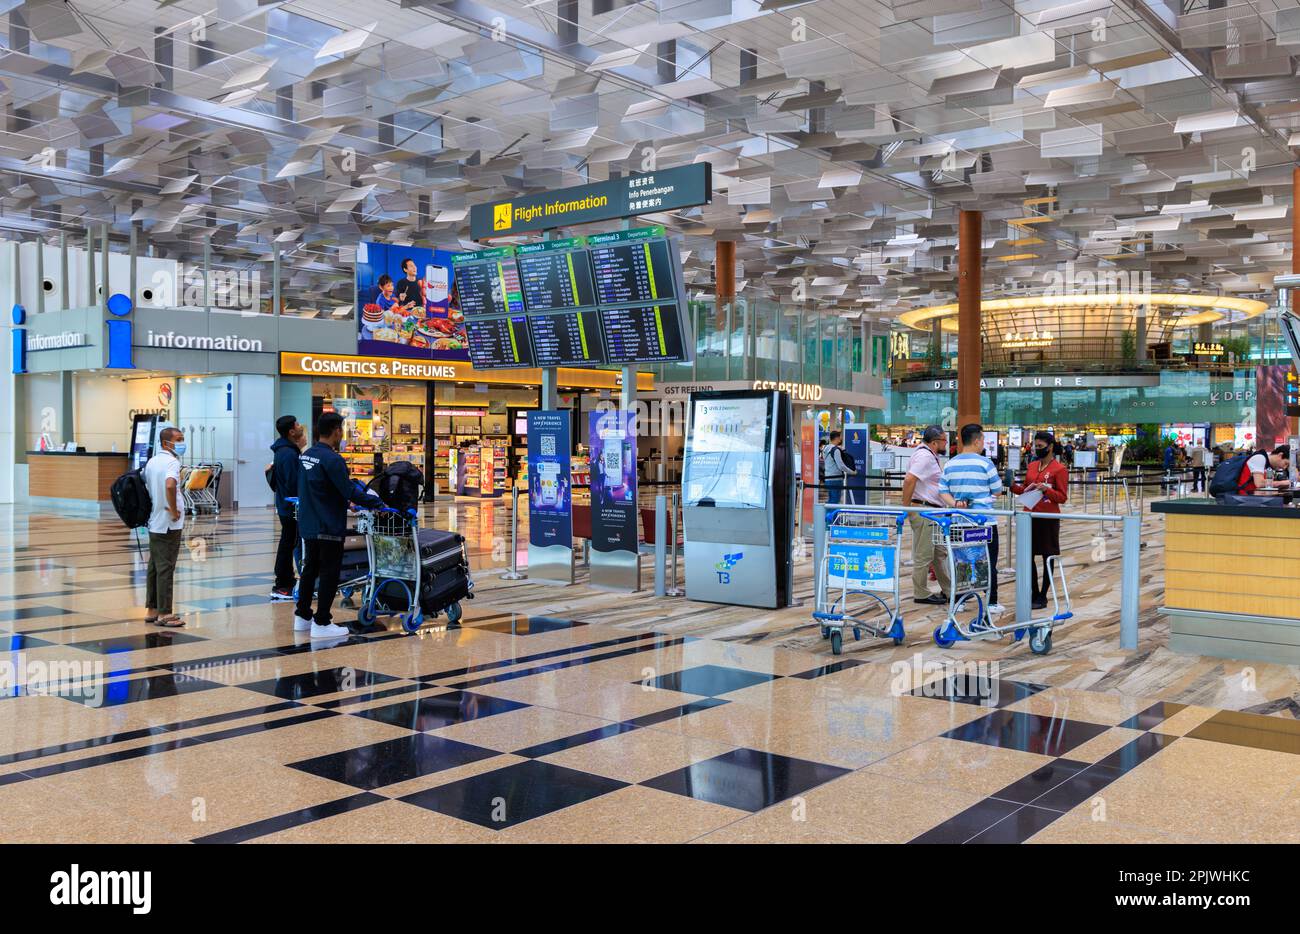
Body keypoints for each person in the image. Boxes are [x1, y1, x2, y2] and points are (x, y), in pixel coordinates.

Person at [295, 412, 383, 639]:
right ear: (336, 431)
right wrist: (377, 502)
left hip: (309, 522)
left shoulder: (307, 455)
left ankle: (302, 617)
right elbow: (349, 489)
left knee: (309, 569)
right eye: (341, 431)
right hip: (328, 524)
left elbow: (319, 487)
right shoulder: (333, 459)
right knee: (329, 572)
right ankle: (322, 622)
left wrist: (345, 501)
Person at [938, 423, 1005, 616]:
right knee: (989, 561)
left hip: (960, 522)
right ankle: (991, 602)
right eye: (983, 439)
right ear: (976, 441)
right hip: (984, 522)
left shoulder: (950, 464)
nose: (984, 443)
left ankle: (960, 600)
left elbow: (942, 491)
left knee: (961, 560)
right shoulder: (985, 463)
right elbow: (998, 490)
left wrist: (955, 504)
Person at [1012, 430, 1069, 610]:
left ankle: (1043, 595)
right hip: (1029, 515)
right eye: (1035, 446)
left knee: (1047, 556)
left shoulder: (1059, 469)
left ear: (1050, 447)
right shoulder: (1032, 466)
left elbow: (1062, 497)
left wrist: (1046, 490)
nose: (1037, 449)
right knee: (1028, 555)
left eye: (1040, 446)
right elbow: (1025, 490)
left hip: (1048, 517)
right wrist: (1012, 486)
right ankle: (1034, 592)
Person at [900, 425, 949, 605]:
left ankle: (949, 590)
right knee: (924, 554)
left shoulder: (928, 455)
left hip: (932, 511)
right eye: (944, 440)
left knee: (938, 553)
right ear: (935, 442)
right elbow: (909, 479)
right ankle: (920, 592)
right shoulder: (924, 457)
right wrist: (905, 508)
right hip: (925, 511)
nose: (946, 443)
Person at [144, 426, 186, 627]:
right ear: (165, 442)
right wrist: (174, 510)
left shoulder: (152, 462)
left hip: (155, 520)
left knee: (155, 567)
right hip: (169, 523)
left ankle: (152, 609)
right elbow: (170, 485)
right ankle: (165, 614)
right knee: (166, 567)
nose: (181, 443)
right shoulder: (171, 462)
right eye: (178, 439)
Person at [269, 415, 305, 601]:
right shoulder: (289, 453)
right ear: (291, 431)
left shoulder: (284, 450)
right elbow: (293, 482)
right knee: (289, 542)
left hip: (284, 504)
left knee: (288, 541)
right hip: (291, 505)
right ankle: (283, 584)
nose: (301, 427)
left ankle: (286, 579)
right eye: (298, 425)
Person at [1218, 445, 1291, 501]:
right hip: (1243, 499)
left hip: (1251, 499)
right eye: (1285, 463)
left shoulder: (1268, 466)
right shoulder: (1259, 458)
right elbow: (1259, 483)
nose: (1284, 467)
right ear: (1280, 455)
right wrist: (1284, 482)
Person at [821, 430, 856, 505]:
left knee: (831, 500)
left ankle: (828, 516)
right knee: (835, 501)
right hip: (835, 478)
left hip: (828, 478)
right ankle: (832, 516)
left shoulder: (825, 449)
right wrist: (851, 472)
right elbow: (841, 466)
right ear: (836, 438)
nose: (840, 439)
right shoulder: (836, 450)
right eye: (839, 438)